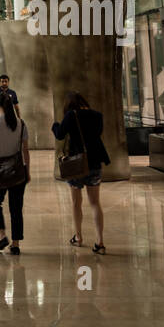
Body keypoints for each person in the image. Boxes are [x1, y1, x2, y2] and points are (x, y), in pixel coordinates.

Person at [52, 91, 110, 254]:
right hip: (95, 163)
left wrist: (55, 124)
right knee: (95, 203)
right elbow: (96, 135)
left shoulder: (71, 115)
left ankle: (78, 237)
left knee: (76, 203)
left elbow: (60, 134)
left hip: (76, 164)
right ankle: (100, 242)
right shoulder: (97, 116)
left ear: (69, 105)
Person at [0, 92, 30, 254]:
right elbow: (25, 150)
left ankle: (2, 235)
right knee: (16, 207)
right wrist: (27, 170)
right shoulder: (21, 123)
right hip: (17, 170)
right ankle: (15, 244)